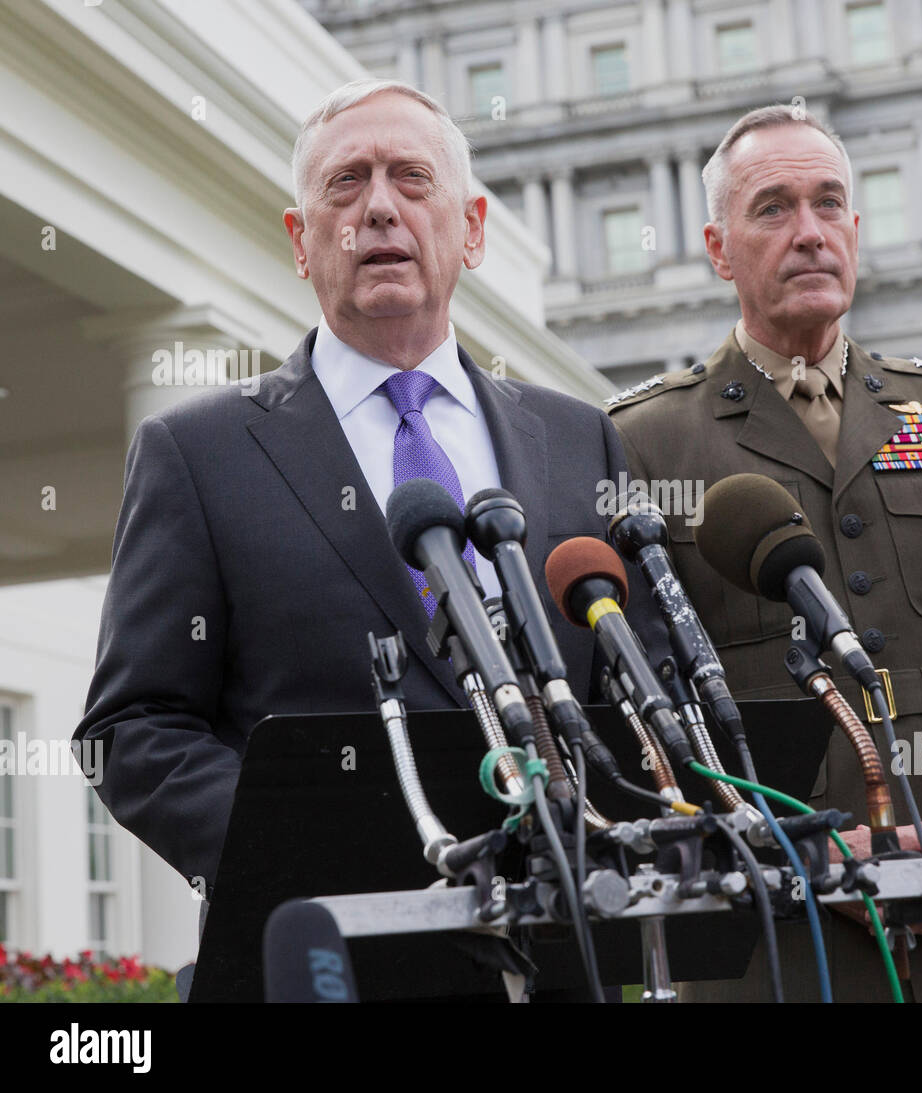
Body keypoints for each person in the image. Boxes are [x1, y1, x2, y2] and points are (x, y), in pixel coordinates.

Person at [74, 80, 646, 905]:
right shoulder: (196, 453)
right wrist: (314, 847)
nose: (379, 207)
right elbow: (131, 731)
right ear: (302, 242)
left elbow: (632, 689)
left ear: (472, 229)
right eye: (346, 182)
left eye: (412, 178)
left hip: (561, 944)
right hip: (321, 952)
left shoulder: (579, 439)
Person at [608, 105, 922, 1002]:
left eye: (829, 204)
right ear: (720, 250)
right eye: (774, 208)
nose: (809, 233)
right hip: (779, 944)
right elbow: (638, 704)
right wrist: (783, 845)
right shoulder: (645, 445)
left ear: (856, 232)